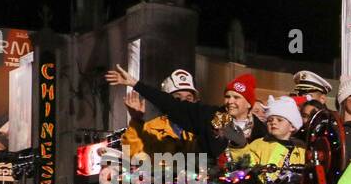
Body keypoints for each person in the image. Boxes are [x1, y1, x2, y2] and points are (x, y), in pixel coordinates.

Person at [106, 63, 267, 161]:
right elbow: (134, 154)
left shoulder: (261, 130)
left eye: (236, 97)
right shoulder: (211, 116)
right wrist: (136, 84)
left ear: (249, 103)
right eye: (227, 96)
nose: (230, 101)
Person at [224, 96, 308, 184]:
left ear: (292, 126)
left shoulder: (302, 149)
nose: (273, 122)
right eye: (270, 120)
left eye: (279, 120)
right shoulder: (260, 144)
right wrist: (239, 146)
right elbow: (245, 165)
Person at [122, 68, 200, 159]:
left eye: (188, 99)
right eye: (177, 99)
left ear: (195, 101)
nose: (183, 104)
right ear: (164, 101)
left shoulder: (203, 128)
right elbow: (133, 155)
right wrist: (136, 121)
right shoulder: (151, 128)